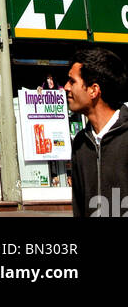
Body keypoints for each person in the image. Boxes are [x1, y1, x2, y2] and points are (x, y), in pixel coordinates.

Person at [64, 45, 128, 218]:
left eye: (72, 81)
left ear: (94, 90)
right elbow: (79, 204)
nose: (66, 88)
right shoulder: (80, 142)